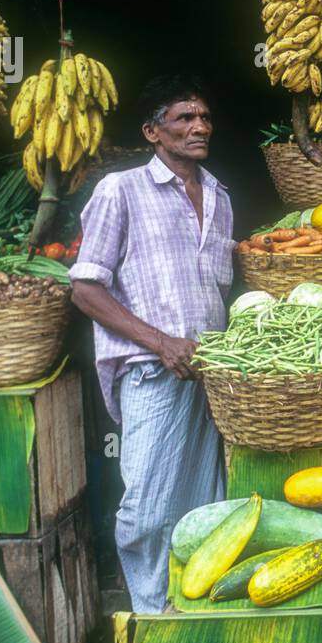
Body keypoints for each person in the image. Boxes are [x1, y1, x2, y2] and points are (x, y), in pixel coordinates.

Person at [70, 76, 234, 612]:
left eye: (204, 117)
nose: (199, 126)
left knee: (203, 503)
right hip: (151, 370)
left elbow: (220, 287)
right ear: (152, 131)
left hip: (208, 375)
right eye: (184, 117)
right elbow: (86, 287)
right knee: (145, 505)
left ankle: (191, 614)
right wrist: (161, 342)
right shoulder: (121, 190)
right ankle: (150, 613)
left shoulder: (220, 195)